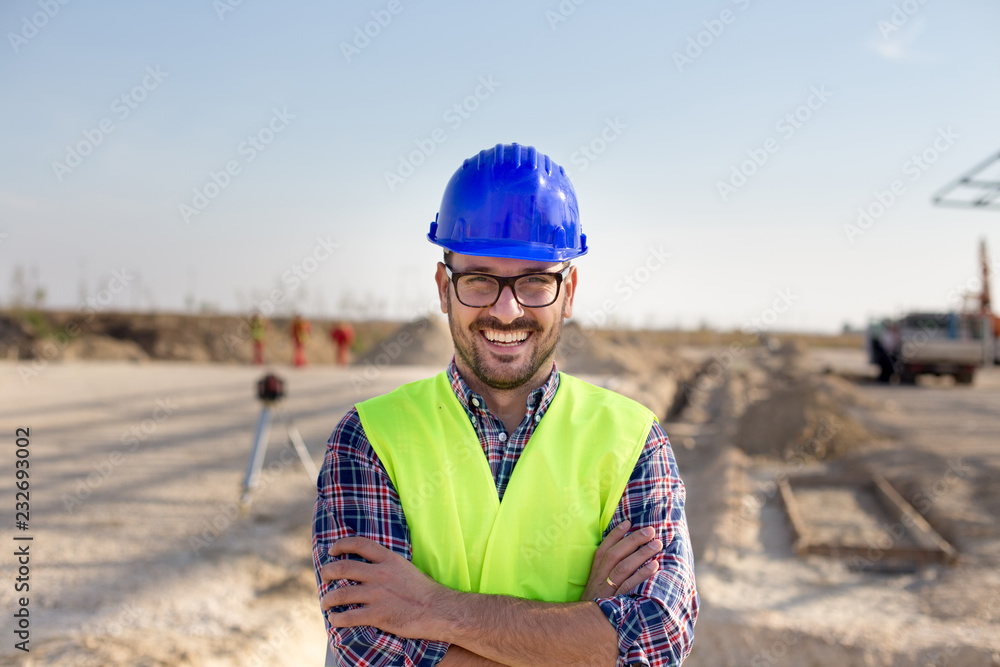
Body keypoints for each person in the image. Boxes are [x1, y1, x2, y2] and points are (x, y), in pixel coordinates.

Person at [312, 143, 698, 666]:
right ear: (444, 289)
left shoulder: (632, 442)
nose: (507, 309)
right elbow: (369, 649)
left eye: (536, 280)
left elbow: (658, 642)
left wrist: (433, 607)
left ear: (569, 290)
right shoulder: (369, 439)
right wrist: (581, 633)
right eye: (480, 280)